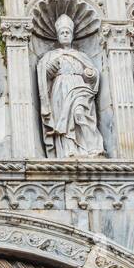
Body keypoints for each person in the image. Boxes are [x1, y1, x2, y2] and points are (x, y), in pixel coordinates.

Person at [37, 14, 103, 159]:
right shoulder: (50, 55)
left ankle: (91, 147)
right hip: (59, 88)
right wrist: (48, 70)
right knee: (63, 119)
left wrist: (90, 73)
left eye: (67, 32)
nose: (65, 35)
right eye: (62, 33)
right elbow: (43, 75)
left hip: (79, 87)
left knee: (80, 113)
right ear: (58, 36)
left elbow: (94, 75)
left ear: (72, 36)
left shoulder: (81, 55)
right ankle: (68, 150)